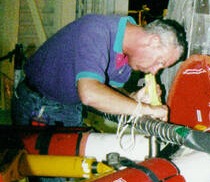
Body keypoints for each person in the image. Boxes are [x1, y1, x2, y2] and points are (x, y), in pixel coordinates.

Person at [11, 14, 188, 128]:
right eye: (159, 62)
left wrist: (134, 97)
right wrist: (144, 109)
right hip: (39, 103)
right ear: (153, 41)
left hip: (70, 106)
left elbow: (109, 91)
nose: (155, 71)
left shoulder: (129, 56)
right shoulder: (97, 30)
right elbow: (90, 94)